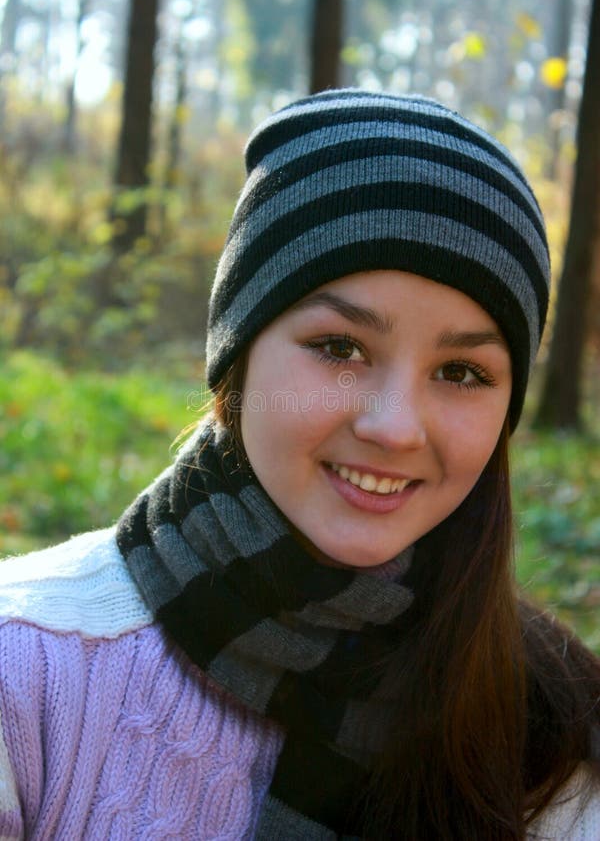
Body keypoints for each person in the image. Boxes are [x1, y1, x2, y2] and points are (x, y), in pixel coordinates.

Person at [0, 89, 598, 841]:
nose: (394, 427)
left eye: (461, 373)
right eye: (340, 348)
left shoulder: (553, 735)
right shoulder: (28, 672)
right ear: (237, 357)